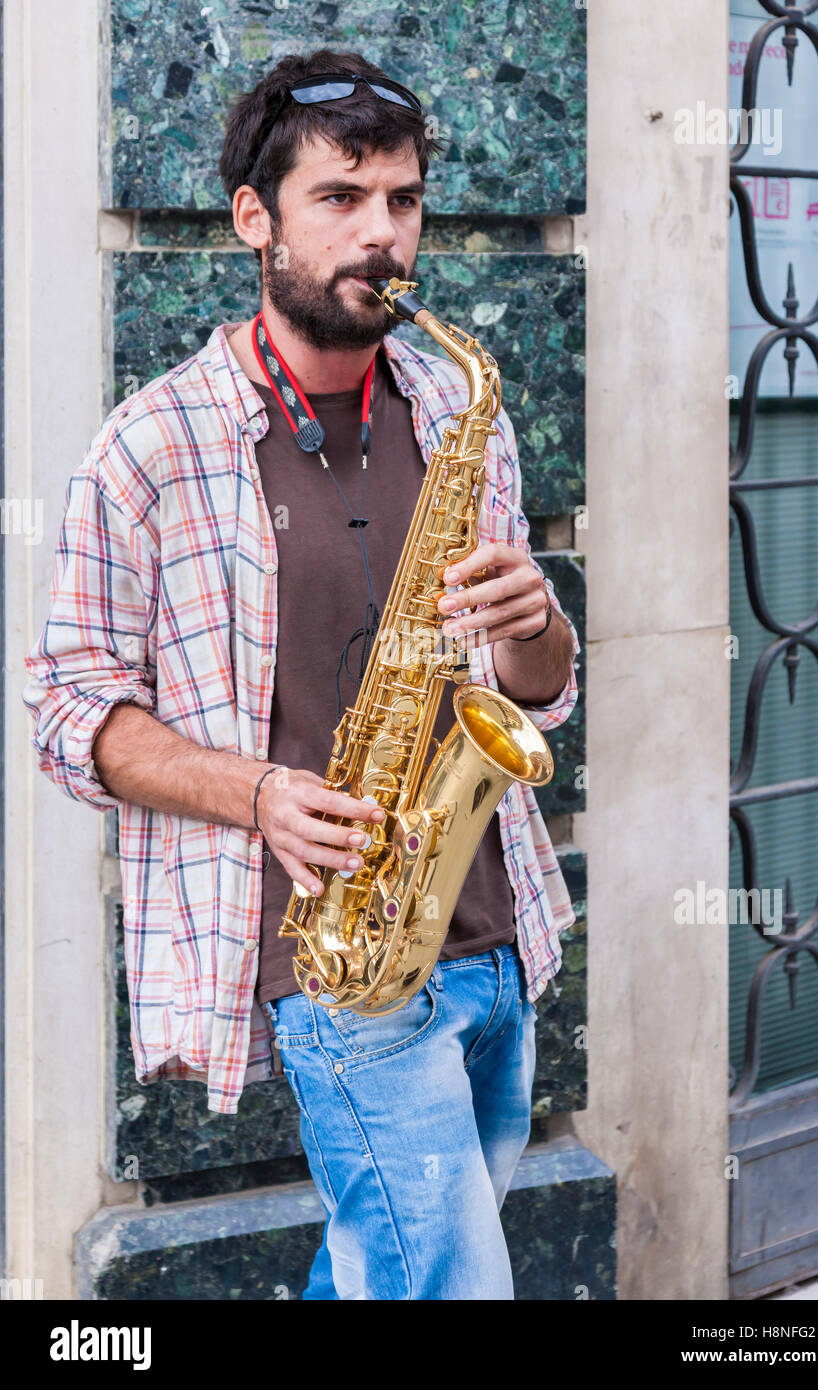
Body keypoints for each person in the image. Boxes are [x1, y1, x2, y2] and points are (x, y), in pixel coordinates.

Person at [22, 48, 580, 1300]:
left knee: (381, 1269)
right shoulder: (151, 445)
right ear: (255, 220)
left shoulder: (452, 404)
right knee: (450, 1287)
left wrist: (537, 620)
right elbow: (65, 712)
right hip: (339, 965)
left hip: (493, 939)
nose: (383, 235)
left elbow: (536, 688)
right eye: (341, 198)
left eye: (403, 199)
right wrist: (255, 791)